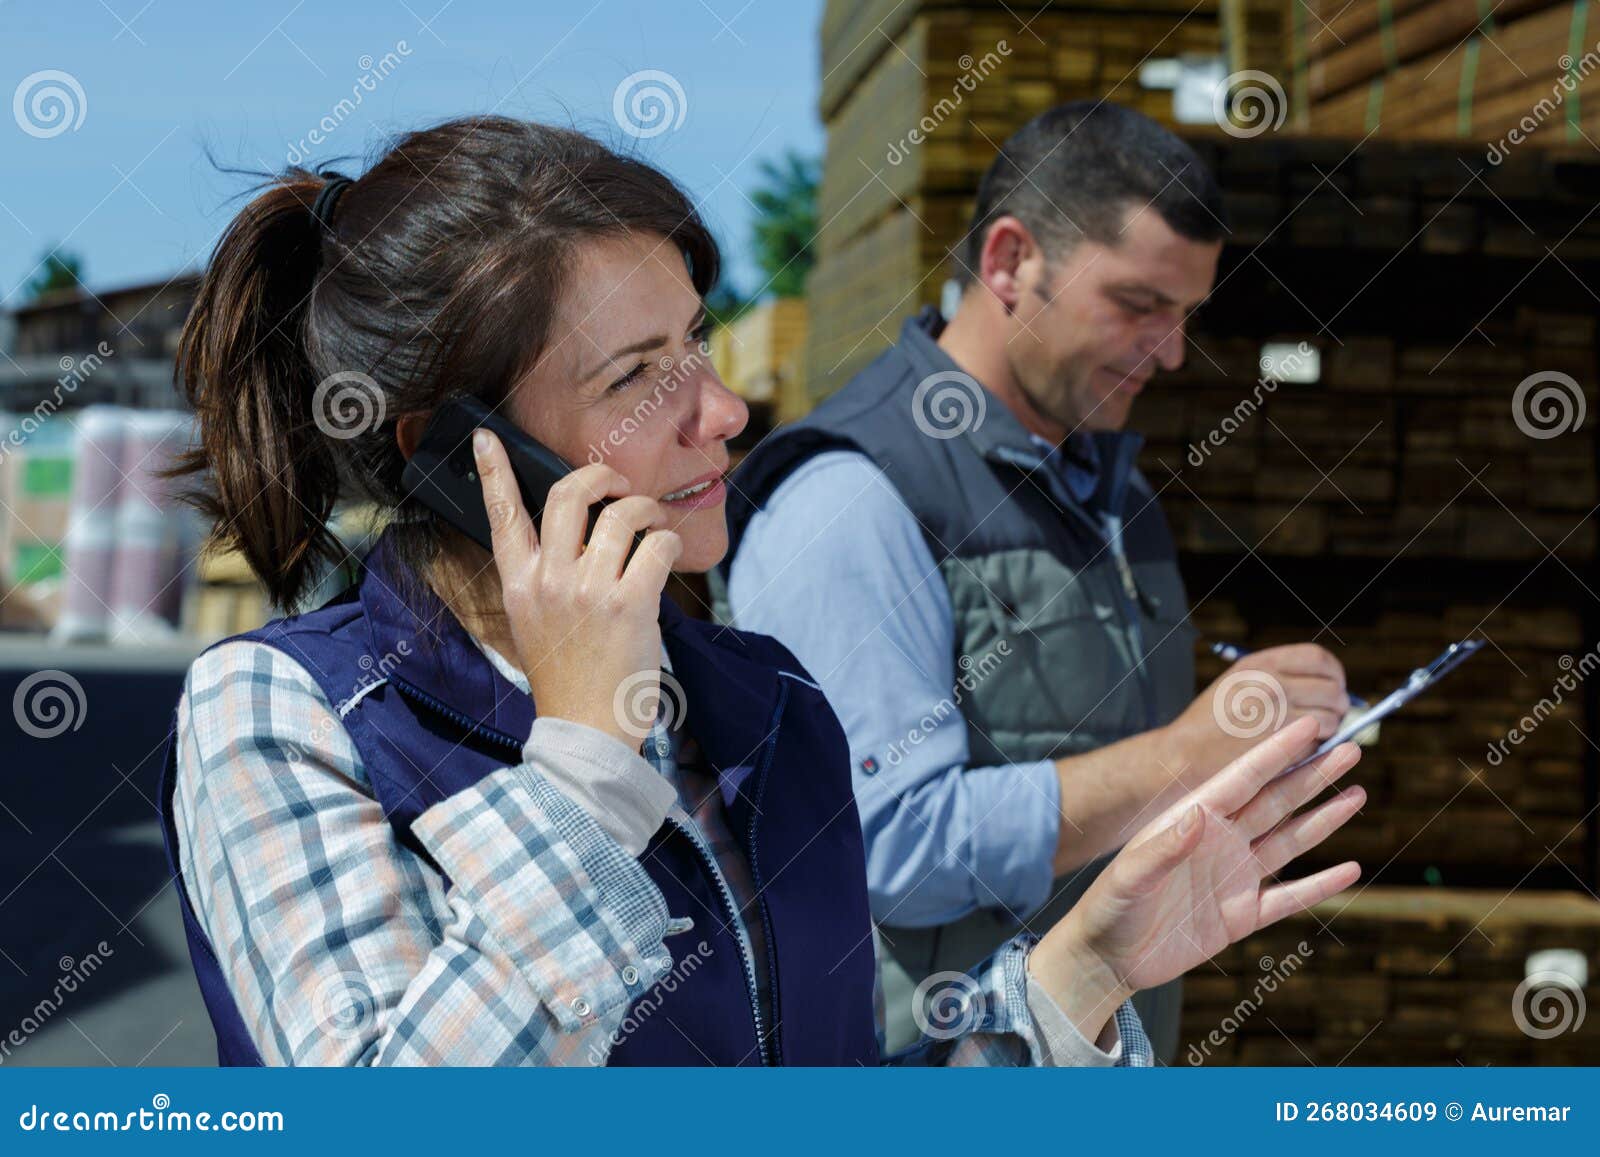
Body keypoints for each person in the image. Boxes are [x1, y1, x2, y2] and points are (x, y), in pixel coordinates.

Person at [158, 114, 1364, 1067]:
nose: (722, 412)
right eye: (640, 375)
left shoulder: (766, 700)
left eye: (698, 342)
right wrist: (583, 764)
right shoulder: (287, 714)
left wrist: (1083, 972)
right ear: (457, 453)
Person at [721, 102, 1353, 1058]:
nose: (1171, 351)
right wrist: (1184, 755)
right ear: (1012, 260)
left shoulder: (1115, 491)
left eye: (1185, 316)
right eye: (1139, 305)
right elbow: (884, 839)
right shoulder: (852, 495)